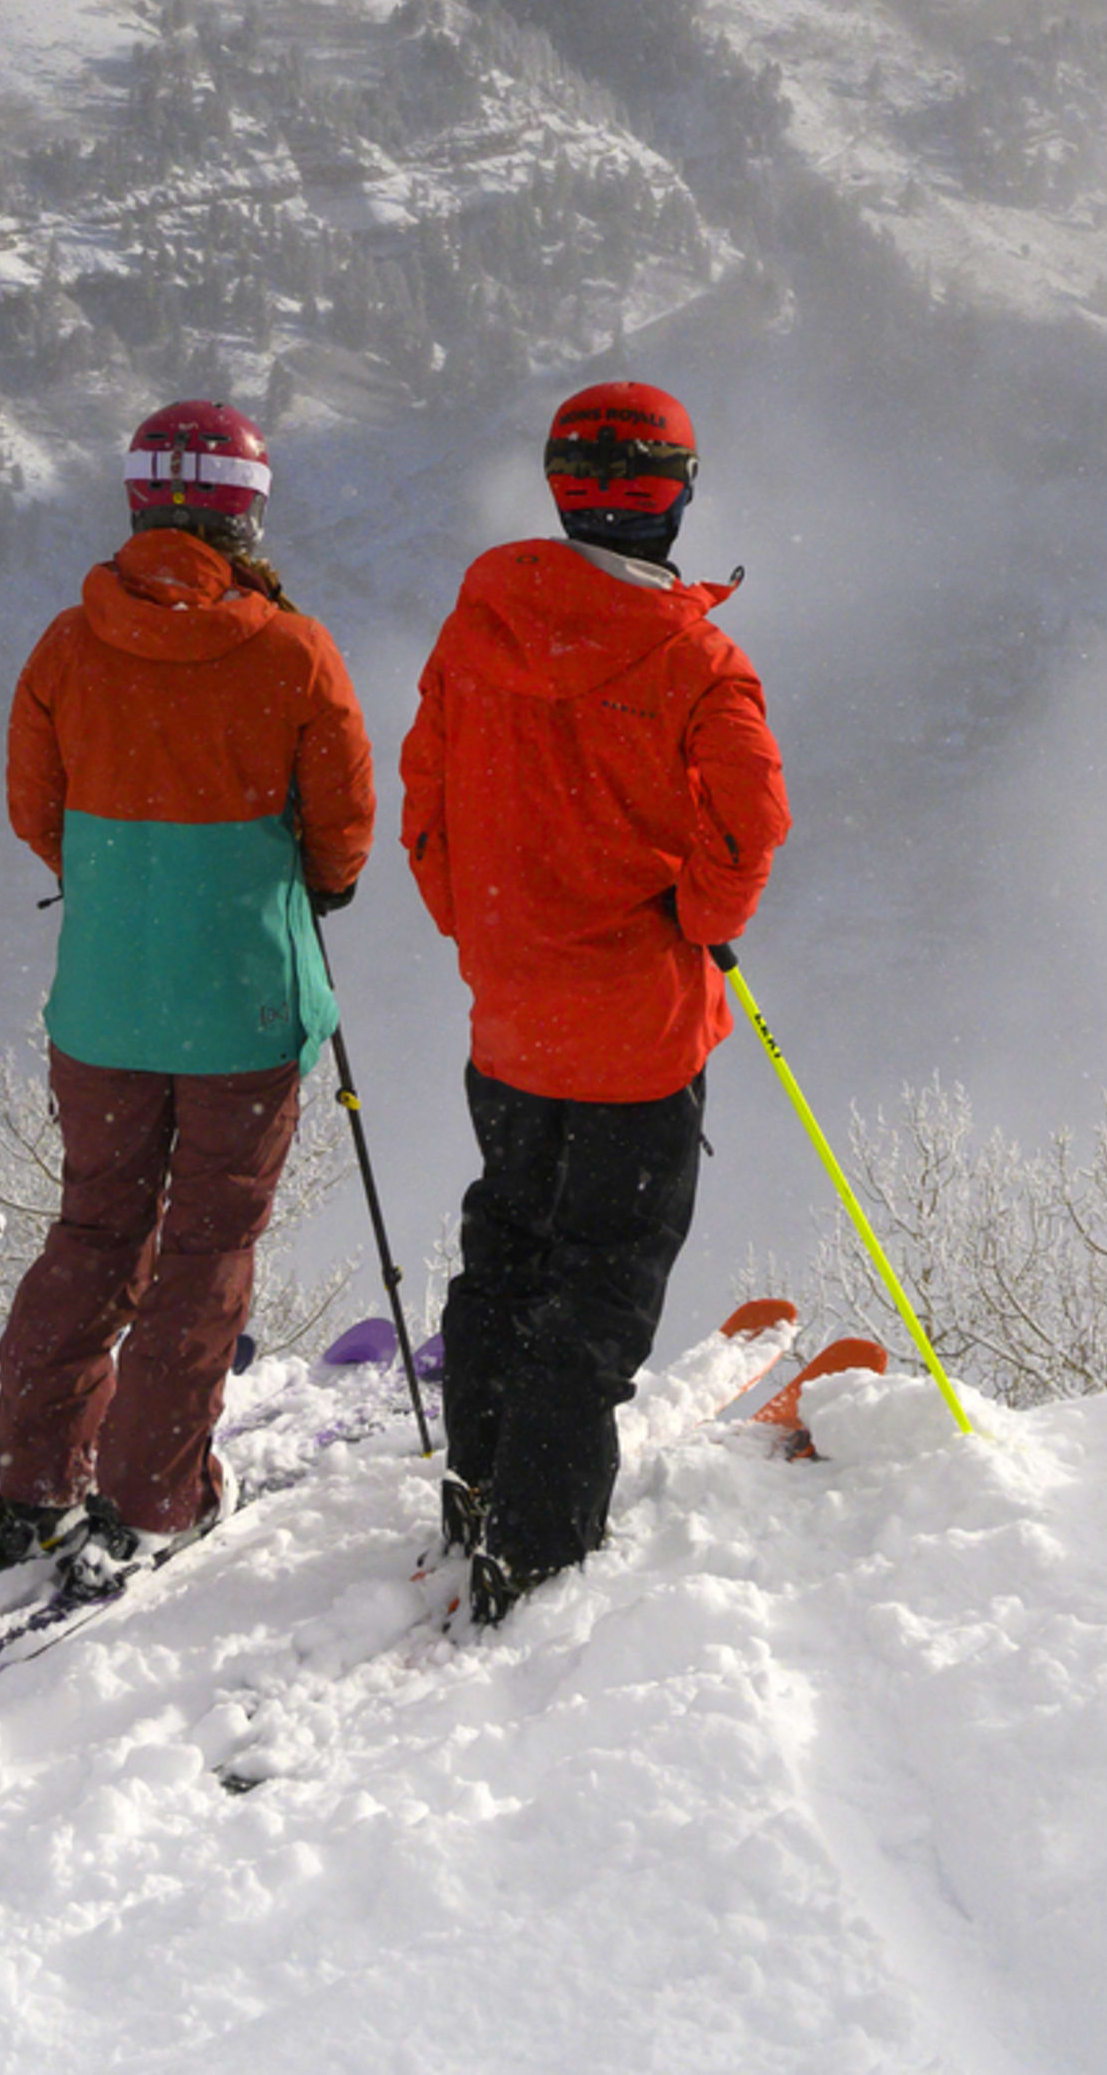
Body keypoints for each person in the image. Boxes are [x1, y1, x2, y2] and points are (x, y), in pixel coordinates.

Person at [405, 378, 789, 1624]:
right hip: (637, 1035)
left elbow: (427, 812)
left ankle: (477, 1490)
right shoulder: (697, 661)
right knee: (601, 1286)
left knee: (505, 1249)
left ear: (563, 489)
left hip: (510, 1019)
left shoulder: (478, 629)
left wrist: (490, 926)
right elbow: (750, 830)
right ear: (677, 495)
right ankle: (538, 1539)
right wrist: (692, 919)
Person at [0, 400, 374, 1588]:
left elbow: (34, 812)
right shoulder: (291, 652)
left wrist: (126, 885)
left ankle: (34, 1481)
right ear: (248, 511)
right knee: (206, 1244)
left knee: (95, 1228)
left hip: (103, 1006)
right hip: (242, 1009)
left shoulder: (68, 645)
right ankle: (155, 1492)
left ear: (138, 500)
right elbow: (343, 838)